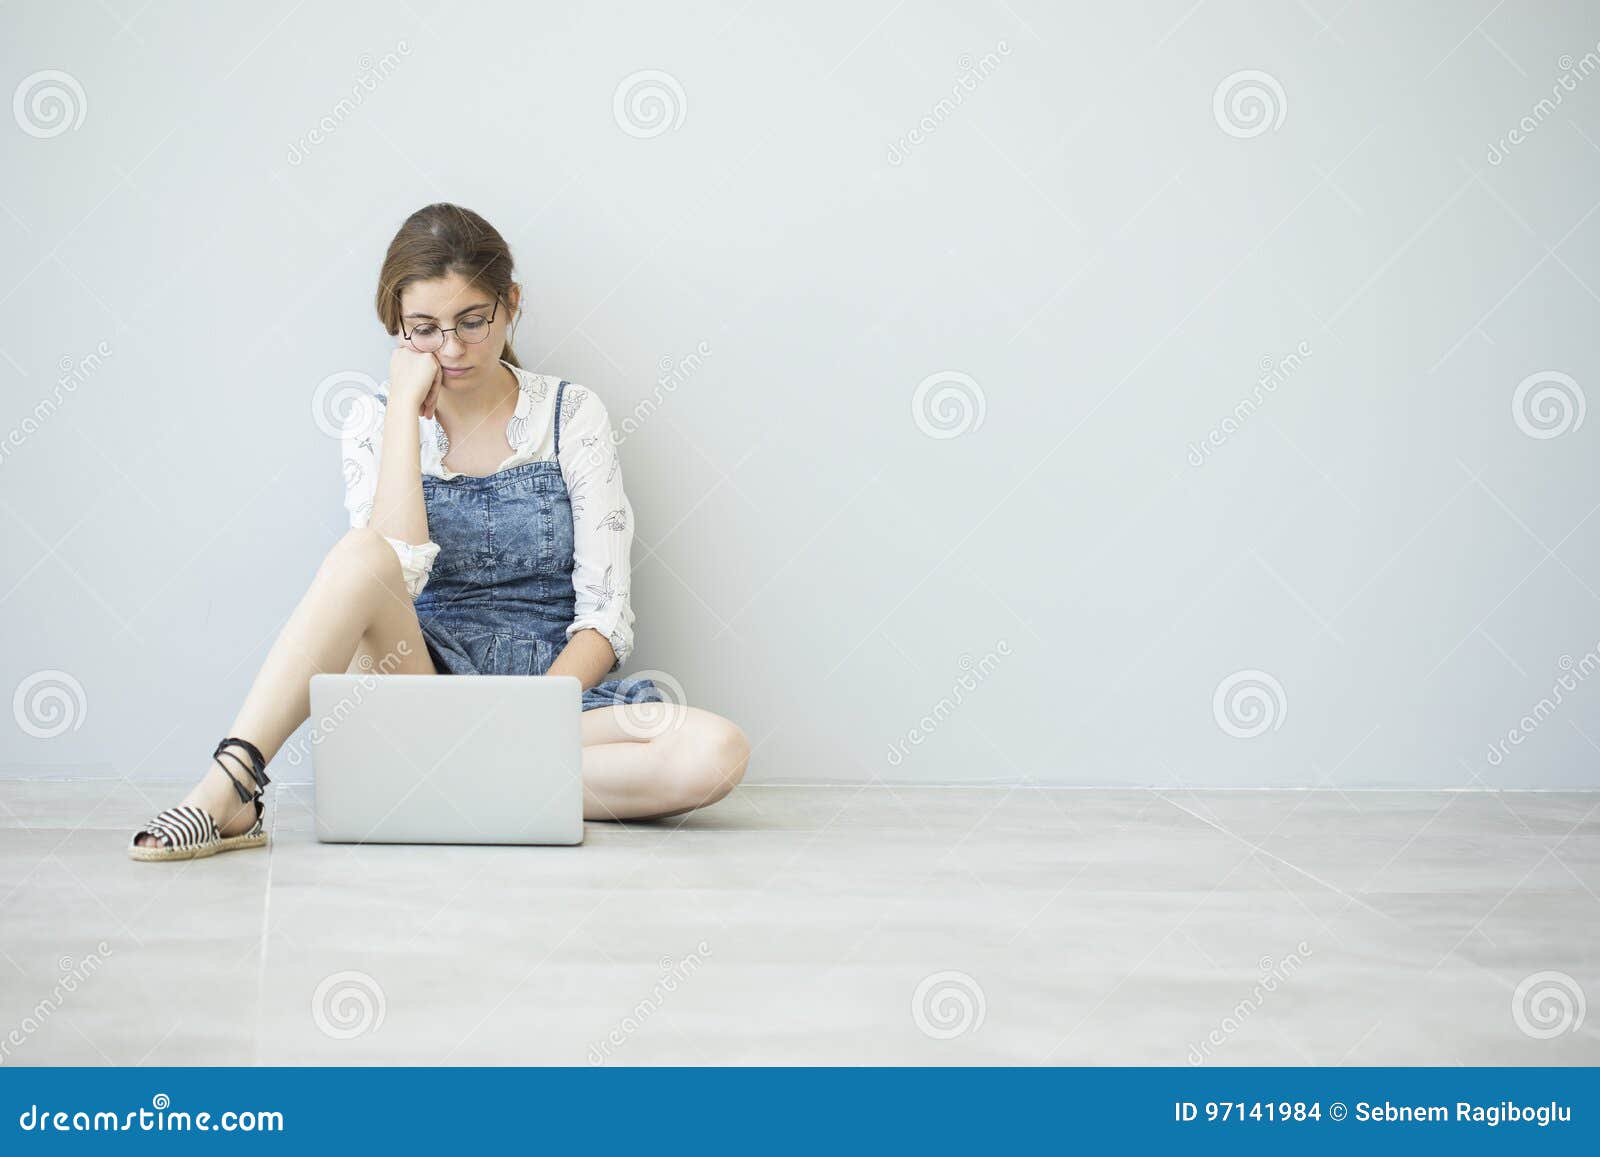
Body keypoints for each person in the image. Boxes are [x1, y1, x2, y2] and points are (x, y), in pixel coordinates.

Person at [129, 203, 751, 861]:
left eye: (471, 322)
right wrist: (403, 410)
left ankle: (446, 782)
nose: (451, 350)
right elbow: (392, 571)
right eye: (425, 329)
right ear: (397, 326)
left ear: (509, 303)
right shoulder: (375, 420)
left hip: (550, 695)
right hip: (416, 683)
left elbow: (605, 616)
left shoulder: (572, 414)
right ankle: (231, 784)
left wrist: (528, 722)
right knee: (360, 553)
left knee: (715, 751)